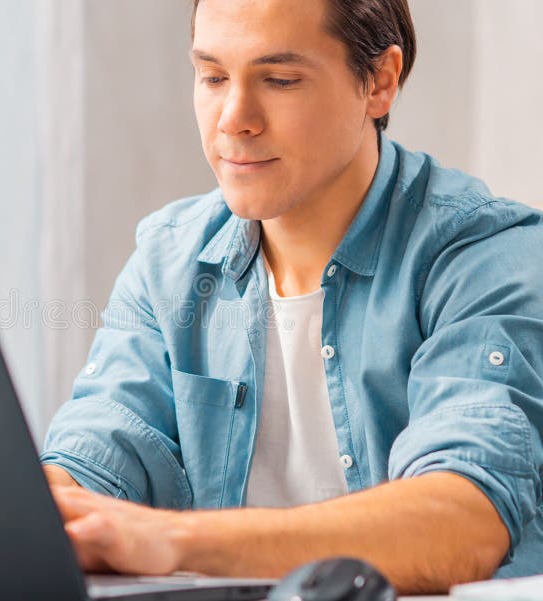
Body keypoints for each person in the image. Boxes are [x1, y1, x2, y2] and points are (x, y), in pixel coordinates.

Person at [39, 0, 543, 593]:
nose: (234, 118)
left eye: (279, 80)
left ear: (379, 82)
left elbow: (464, 520)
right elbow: (95, 456)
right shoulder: (168, 262)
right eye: (213, 76)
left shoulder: (484, 255)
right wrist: (39, 511)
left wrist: (173, 540)